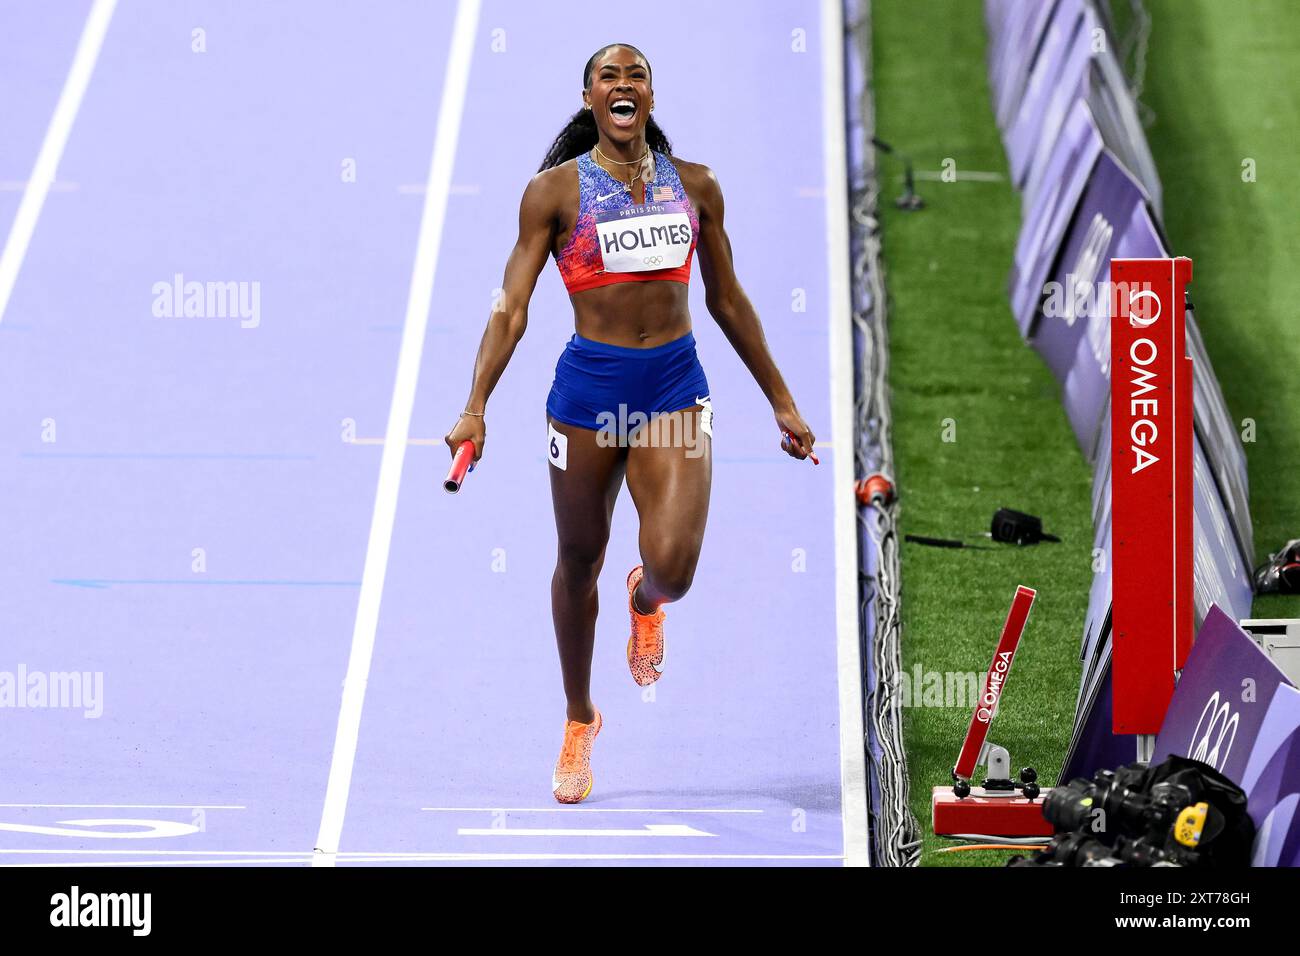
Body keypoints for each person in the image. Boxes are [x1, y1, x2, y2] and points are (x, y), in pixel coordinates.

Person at [444, 42, 816, 804]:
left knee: (675, 567)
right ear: (590, 99)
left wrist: (781, 399)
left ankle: (644, 602)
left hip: (674, 392)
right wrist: (475, 405)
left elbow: (729, 300)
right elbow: (510, 308)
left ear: (650, 94)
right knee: (577, 558)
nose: (623, 85)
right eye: (609, 77)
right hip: (586, 399)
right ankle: (581, 719)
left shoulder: (697, 187)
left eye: (635, 75)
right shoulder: (553, 194)